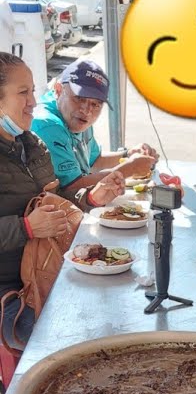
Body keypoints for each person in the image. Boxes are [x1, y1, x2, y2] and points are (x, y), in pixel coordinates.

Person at [0, 54, 124, 345]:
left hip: (49, 271)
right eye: (22, 92)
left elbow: (58, 202)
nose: (33, 101)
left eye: (32, 90)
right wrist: (26, 228)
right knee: (83, 339)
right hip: (11, 293)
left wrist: (92, 197)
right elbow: (35, 224)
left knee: (117, 310)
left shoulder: (31, 145)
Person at [30, 58, 157, 193]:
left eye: (96, 104)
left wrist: (128, 154)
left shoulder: (77, 117)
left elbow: (95, 161)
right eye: (79, 98)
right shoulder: (47, 125)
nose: (87, 110)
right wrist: (129, 169)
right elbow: (73, 188)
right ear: (58, 90)